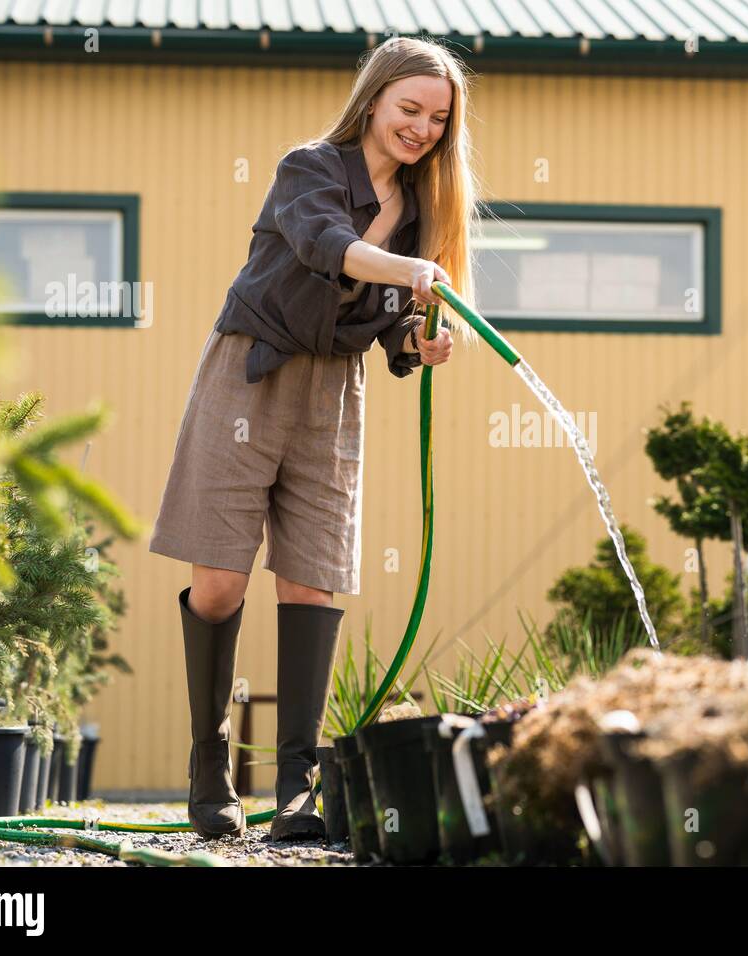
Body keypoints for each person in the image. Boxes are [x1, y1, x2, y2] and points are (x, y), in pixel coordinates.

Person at [148, 36, 480, 840]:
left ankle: (296, 785)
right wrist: (407, 275)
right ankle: (208, 765)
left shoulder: (427, 211)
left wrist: (418, 344)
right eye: (409, 110)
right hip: (248, 375)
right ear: (373, 102)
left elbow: (391, 328)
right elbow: (326, 246)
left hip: (334, 394)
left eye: (437, 118)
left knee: (311, 580)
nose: (422, 129)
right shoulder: (310, 168)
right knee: (222, 584)